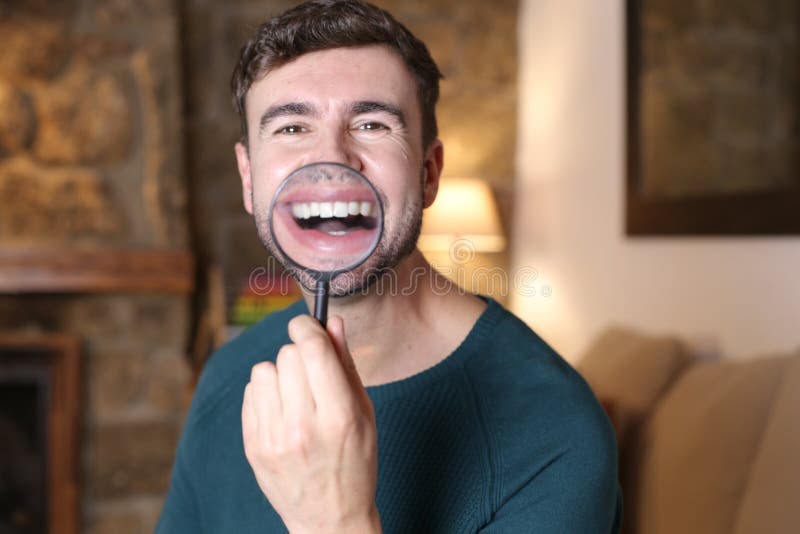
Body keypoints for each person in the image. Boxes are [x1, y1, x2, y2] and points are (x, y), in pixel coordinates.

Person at [157, 1, 622, 532]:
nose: (330, 159)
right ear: (248, 178)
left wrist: (337, 518)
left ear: (428, 173)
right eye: (290, 128)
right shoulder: (228, 377)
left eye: (372, 124)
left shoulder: (557, 434)